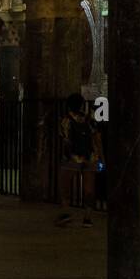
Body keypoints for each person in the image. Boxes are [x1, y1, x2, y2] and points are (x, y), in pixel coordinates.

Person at [57, 93, 103, 228]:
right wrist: (101, 157)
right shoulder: (89, 119)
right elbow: (98, 138)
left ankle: (66, 213)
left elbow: (65, 140)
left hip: (72, 158)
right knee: (89, 188)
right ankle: (87, 218)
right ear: (82, 104)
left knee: (65, 185)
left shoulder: (66, 120)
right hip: (90, 157)